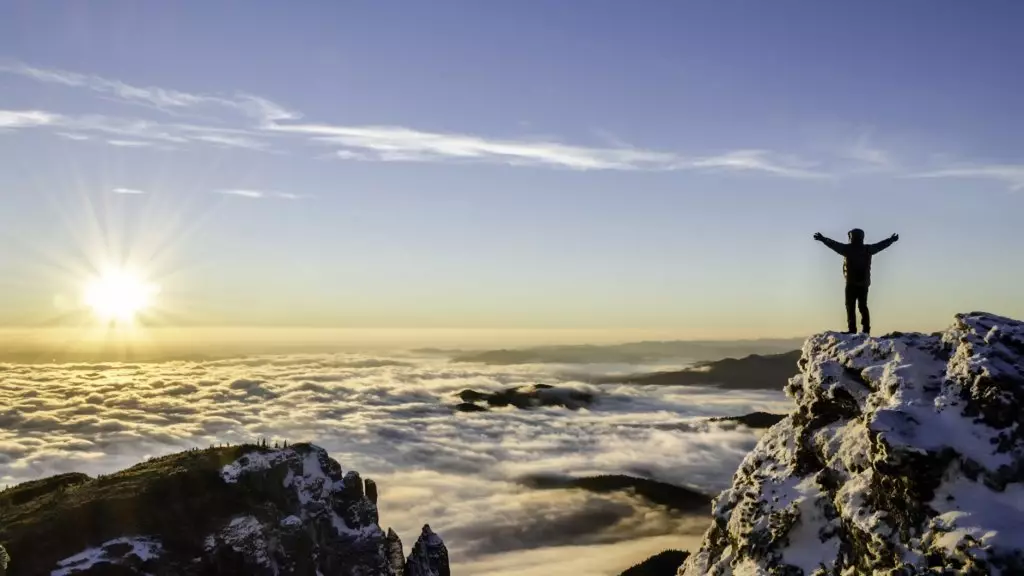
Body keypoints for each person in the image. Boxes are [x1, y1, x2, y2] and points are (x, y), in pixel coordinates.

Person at [813, 228, 899, 335]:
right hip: (864, 283)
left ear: (851, 237)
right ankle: (866, 329)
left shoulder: (847, 249)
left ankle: (852, 329)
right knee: (862, 306)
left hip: (851, 283)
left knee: (850, 306)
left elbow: (834, 245)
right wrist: (891, 240)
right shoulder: (868, 249)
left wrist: (823, 239)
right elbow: (881, 245)